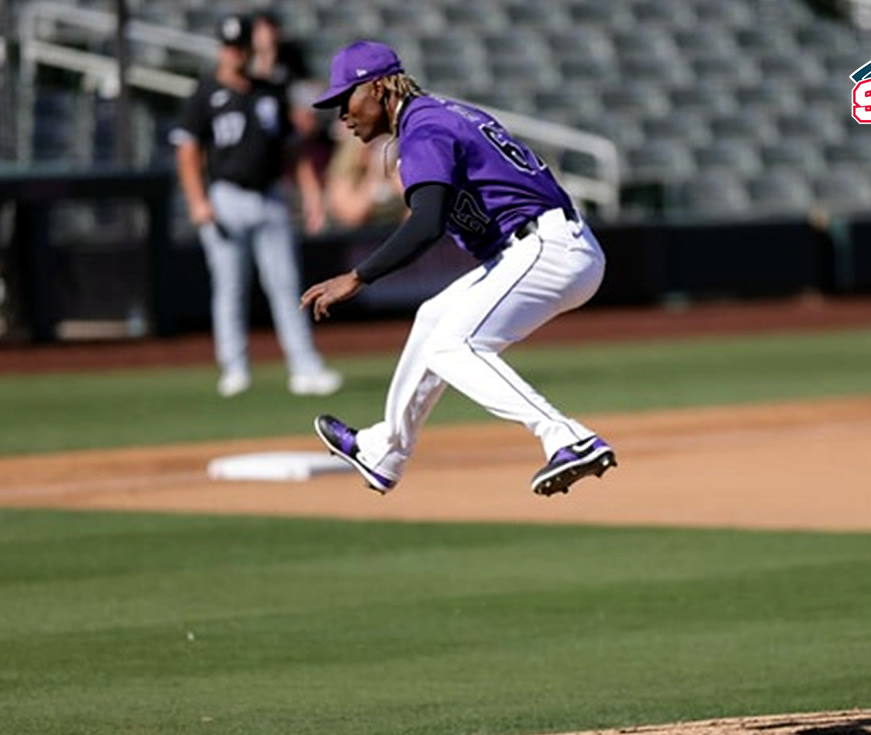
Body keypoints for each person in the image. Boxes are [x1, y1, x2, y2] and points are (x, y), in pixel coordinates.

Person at [302, 40, 616, 497]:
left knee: (453, 346)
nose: (341, 115)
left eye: (344, 99)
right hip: (541, 245)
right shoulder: (437, 114)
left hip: (546, 247)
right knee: (433, 319)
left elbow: (427, 223)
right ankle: (384, 449)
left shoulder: (423, 129)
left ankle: (567, 437)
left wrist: (358, 276)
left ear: (378, 88)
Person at [171, 14, 342, 397]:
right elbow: (187, 152)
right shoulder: (205, 93)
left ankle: (305, 367)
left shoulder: (268, 90)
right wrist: (197, 202)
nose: (235, 54)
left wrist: (312, 197)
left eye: (240, 47)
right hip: (226, 197)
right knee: (230, 288)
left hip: (270, 196)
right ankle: (234, 368)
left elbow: (293, 149)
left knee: (286, 286)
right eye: (229, 46)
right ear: (222, 49)